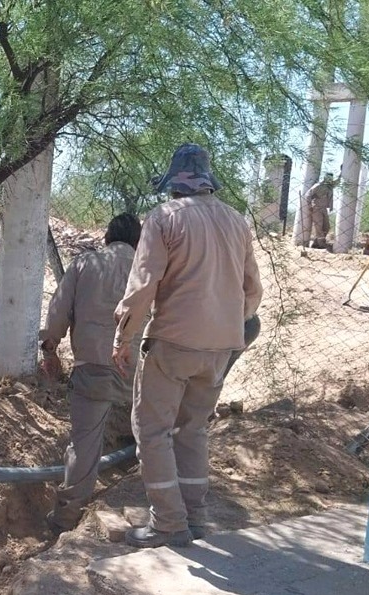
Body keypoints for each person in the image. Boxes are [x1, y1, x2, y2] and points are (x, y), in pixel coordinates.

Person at [113, 143, 262, 548]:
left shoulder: (164, 218)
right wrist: (228, 325)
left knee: (152, 430)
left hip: (174, 342)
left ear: (174, 183)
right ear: (207, 182)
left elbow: (142, 287)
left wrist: (123, 338)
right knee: (193, 429)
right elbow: (253, 292)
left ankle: (168, 523)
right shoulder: (236, 220)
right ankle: (195, 515)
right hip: (221, 347)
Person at [39, 212, 142, 533]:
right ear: (139, 242)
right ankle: (158, 504)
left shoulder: (85, 264)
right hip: (139, 372)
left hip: (92, 369)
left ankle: (67, 517)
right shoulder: (148, 270)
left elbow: (57, 311)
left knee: (84, 445)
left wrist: (50, 349)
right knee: (154, 435)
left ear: (107, 238)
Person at [304, 173, 337, 249]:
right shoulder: (318, 185)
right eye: (329, 178)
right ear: (325, 178)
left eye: (331, 179)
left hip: (324, 208)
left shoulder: (329, 186)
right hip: (316, 208)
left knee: (327, 227)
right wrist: (310, 205)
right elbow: (308, 194)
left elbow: (337, 182)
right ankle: (321, 244)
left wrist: (341, 172)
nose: (330, 180)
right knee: (319, 226)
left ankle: (316, 243)